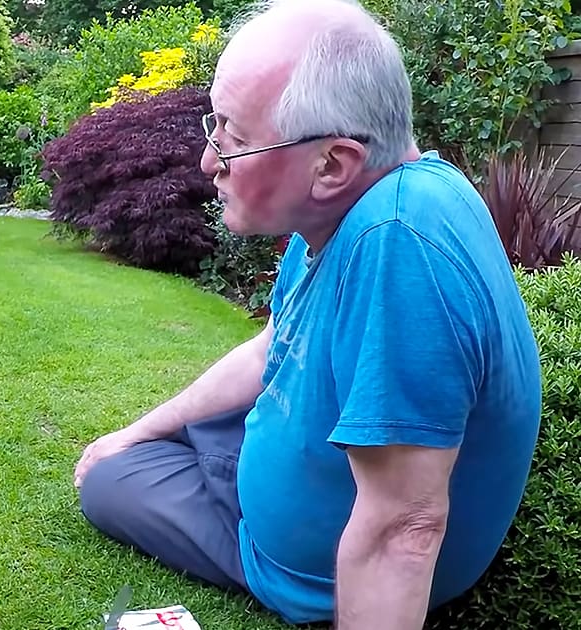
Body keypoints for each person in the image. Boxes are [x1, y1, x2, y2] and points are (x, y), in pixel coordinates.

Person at [72, 0, 544, 627]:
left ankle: (234, 500)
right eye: (213, 128)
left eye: (233, 140)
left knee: (112, 485)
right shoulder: (341, 215)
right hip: (306, 469)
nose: (209, 162)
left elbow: (405, 525)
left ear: (332, 164)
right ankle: (214, 459)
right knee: (152, 444)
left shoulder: (397, 245)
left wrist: (128, 456)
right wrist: (135, 432)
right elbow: (274, 348)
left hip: (301, 569)